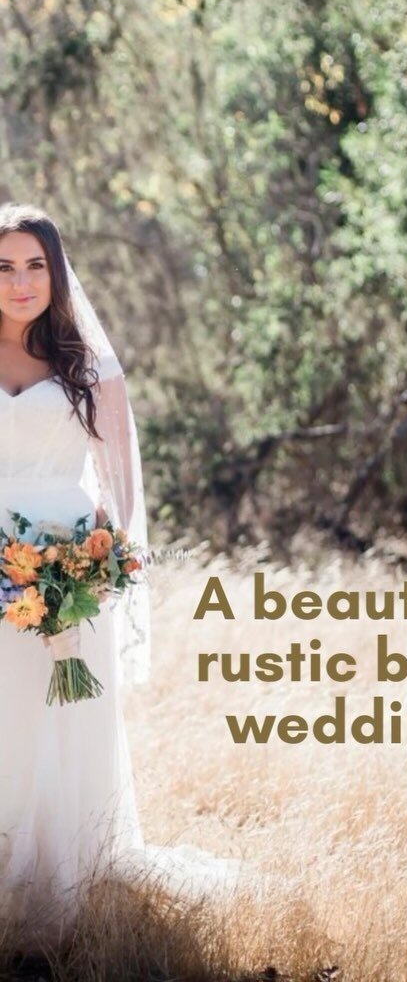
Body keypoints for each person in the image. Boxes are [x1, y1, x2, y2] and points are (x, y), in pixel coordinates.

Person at [0, 202, 243, 954]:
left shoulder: (89, 367)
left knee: (67, 726)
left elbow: (121, 489)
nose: (20, 282)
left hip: (72, 568)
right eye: (4, 266)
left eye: (35, 264)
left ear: (58, 271)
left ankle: (68, 896)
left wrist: (90, 566)